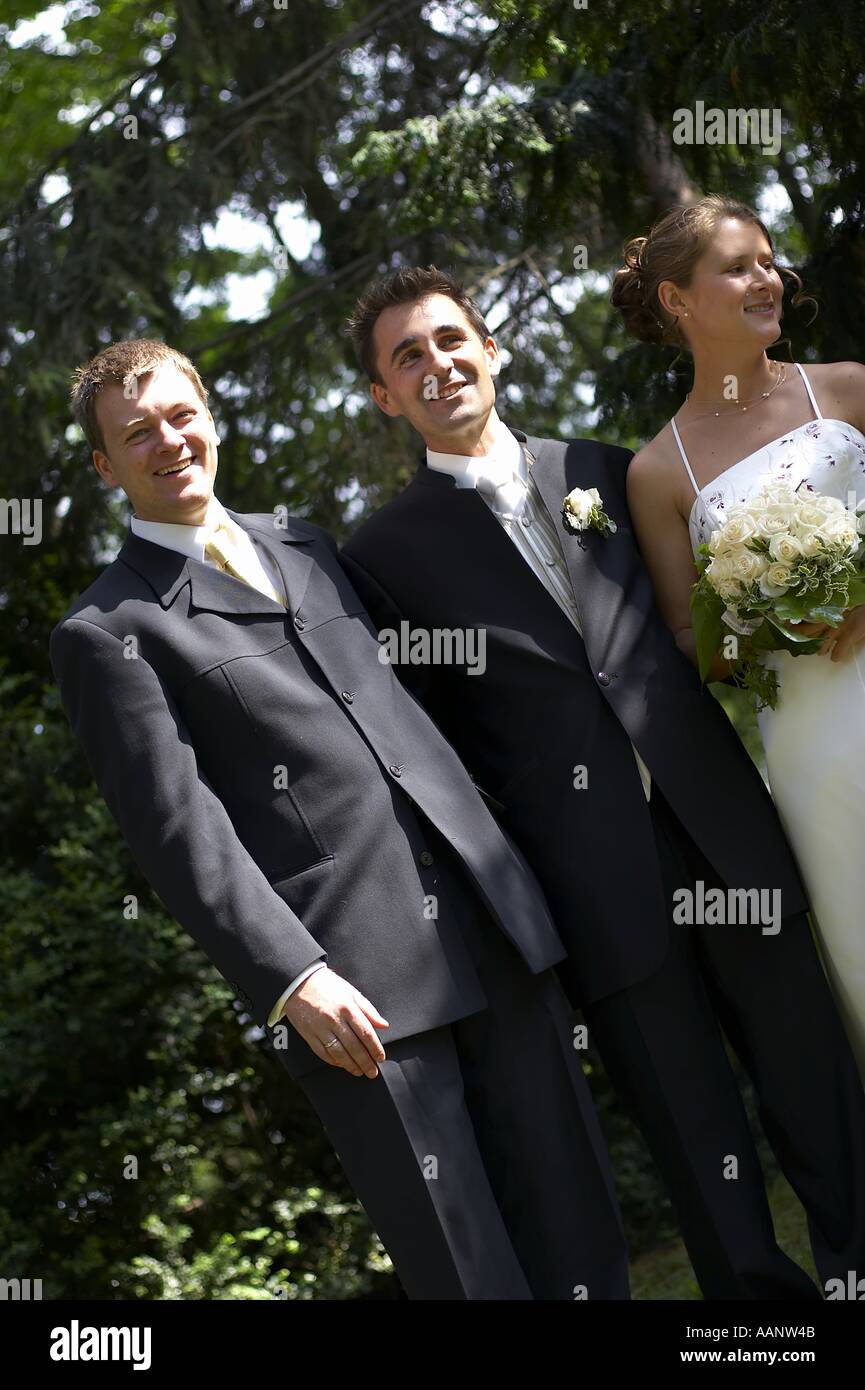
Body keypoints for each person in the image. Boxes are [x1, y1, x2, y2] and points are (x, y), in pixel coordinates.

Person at [49, 338, 630, 1302]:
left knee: (580, 1230)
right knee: (465, 1268)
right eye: (136, 433)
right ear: (107, 466)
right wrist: (293, 979)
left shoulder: (309, 545)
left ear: (210, 415)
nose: (169, 441)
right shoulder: (108, 632)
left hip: (488, 923)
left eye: (180, 415)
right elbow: (179, 834)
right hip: (354, 988)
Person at [340, 264, 865, 1300]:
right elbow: (434, 752)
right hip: (589, 885)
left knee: (820, 1094)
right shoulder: (382, 556)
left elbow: (692, 628)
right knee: (697, 1139)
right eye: (409, 358)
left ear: (491, 351)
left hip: (724, 830)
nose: (437, 365)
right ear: (385, 398)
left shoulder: (606, 469)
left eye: (451, 341)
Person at [613, 194, 865, 1080]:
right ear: (677, 301)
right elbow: (689, 638)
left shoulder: (846, 388)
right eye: (737, 266)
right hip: (810, 743)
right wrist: (761, 614)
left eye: (766, 261)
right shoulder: (656, 472)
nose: (766, 279)